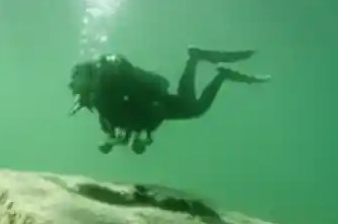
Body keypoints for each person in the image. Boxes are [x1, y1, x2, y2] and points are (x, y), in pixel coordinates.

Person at [68, 46, 270, 154]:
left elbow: (135, 110)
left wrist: (139, 135)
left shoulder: (105, 97)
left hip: (156, 104)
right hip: (154, 105)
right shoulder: (101, 99)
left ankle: (205, 65)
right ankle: (200, 62)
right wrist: (118, 140)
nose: (73, 88)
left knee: (194, 108)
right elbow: (124, 122)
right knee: (192, 107)